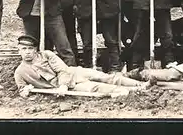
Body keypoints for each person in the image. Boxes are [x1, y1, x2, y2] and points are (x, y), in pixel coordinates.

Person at [14, 35, 155, 98]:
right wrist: (26, 91)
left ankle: (140, 85)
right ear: (19, 51)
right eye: (23, 50)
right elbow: (22, 90)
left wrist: (63, 84)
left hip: (73, 74)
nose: (27, 53)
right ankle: (131, 92)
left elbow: (62, 70)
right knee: (96, 88)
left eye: (29, 49)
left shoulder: (47, 55)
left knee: (104, 77)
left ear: (35, 50)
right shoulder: (20, 72)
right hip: (66, 87)